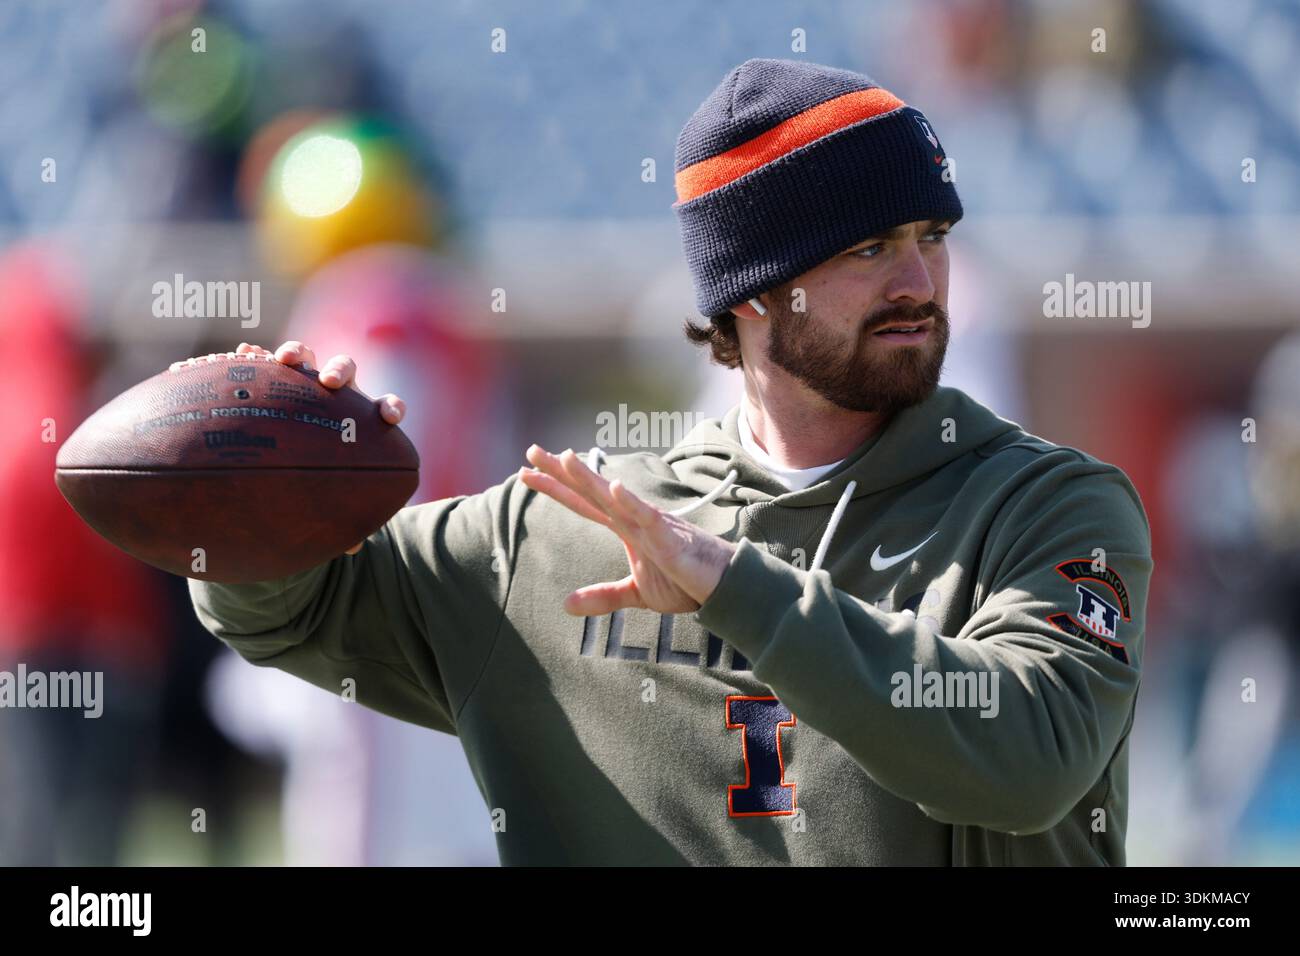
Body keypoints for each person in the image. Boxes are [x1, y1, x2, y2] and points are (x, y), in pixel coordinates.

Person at [189, 59, 1153, 865]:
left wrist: (735, 587)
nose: (919, 282)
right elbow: (293, 606)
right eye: (868, 247)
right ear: (753, 293)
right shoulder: (565, 531)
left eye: (932, 236)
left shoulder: (1048, 506)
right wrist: (251, 482)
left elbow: (1031, 757)